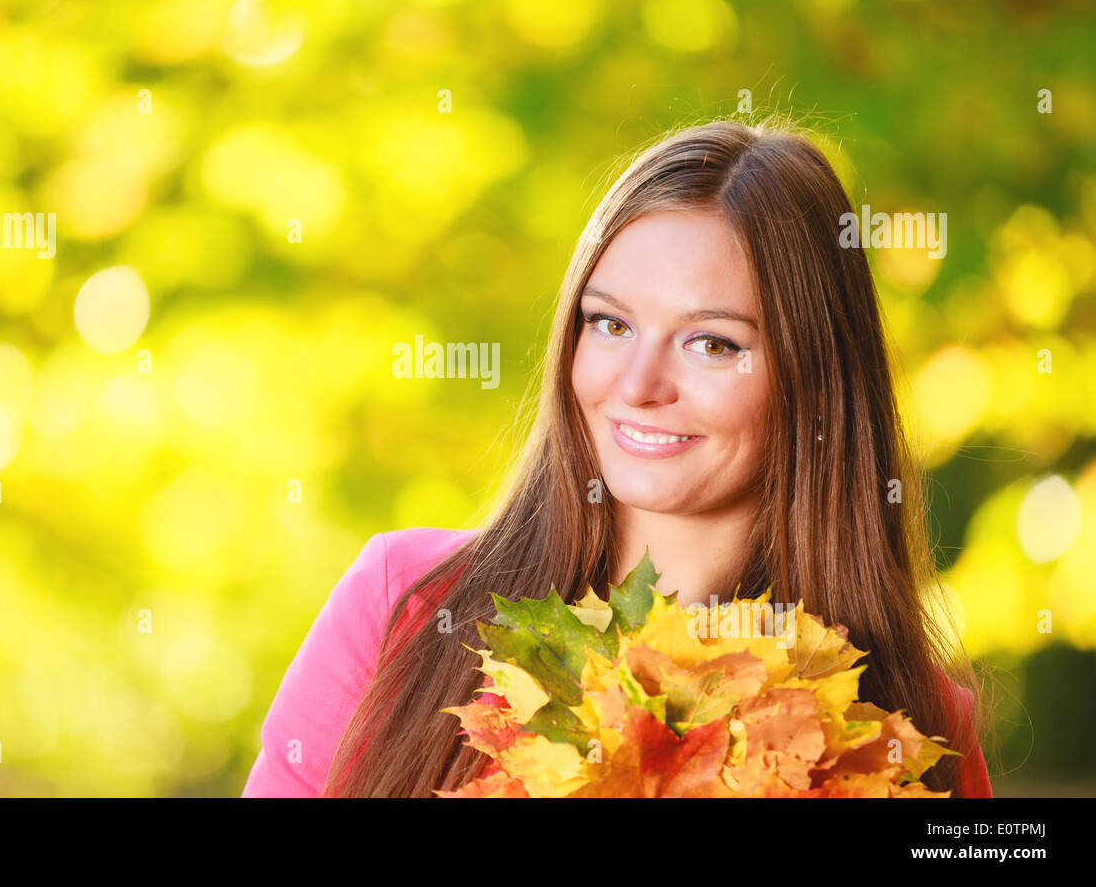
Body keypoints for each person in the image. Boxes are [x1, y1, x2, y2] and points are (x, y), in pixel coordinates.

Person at [241, 118, 993, 798]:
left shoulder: (910, 720)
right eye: (609, 325)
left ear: (816, 378)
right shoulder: (403, 607)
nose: (637, 385)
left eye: (712, 343)